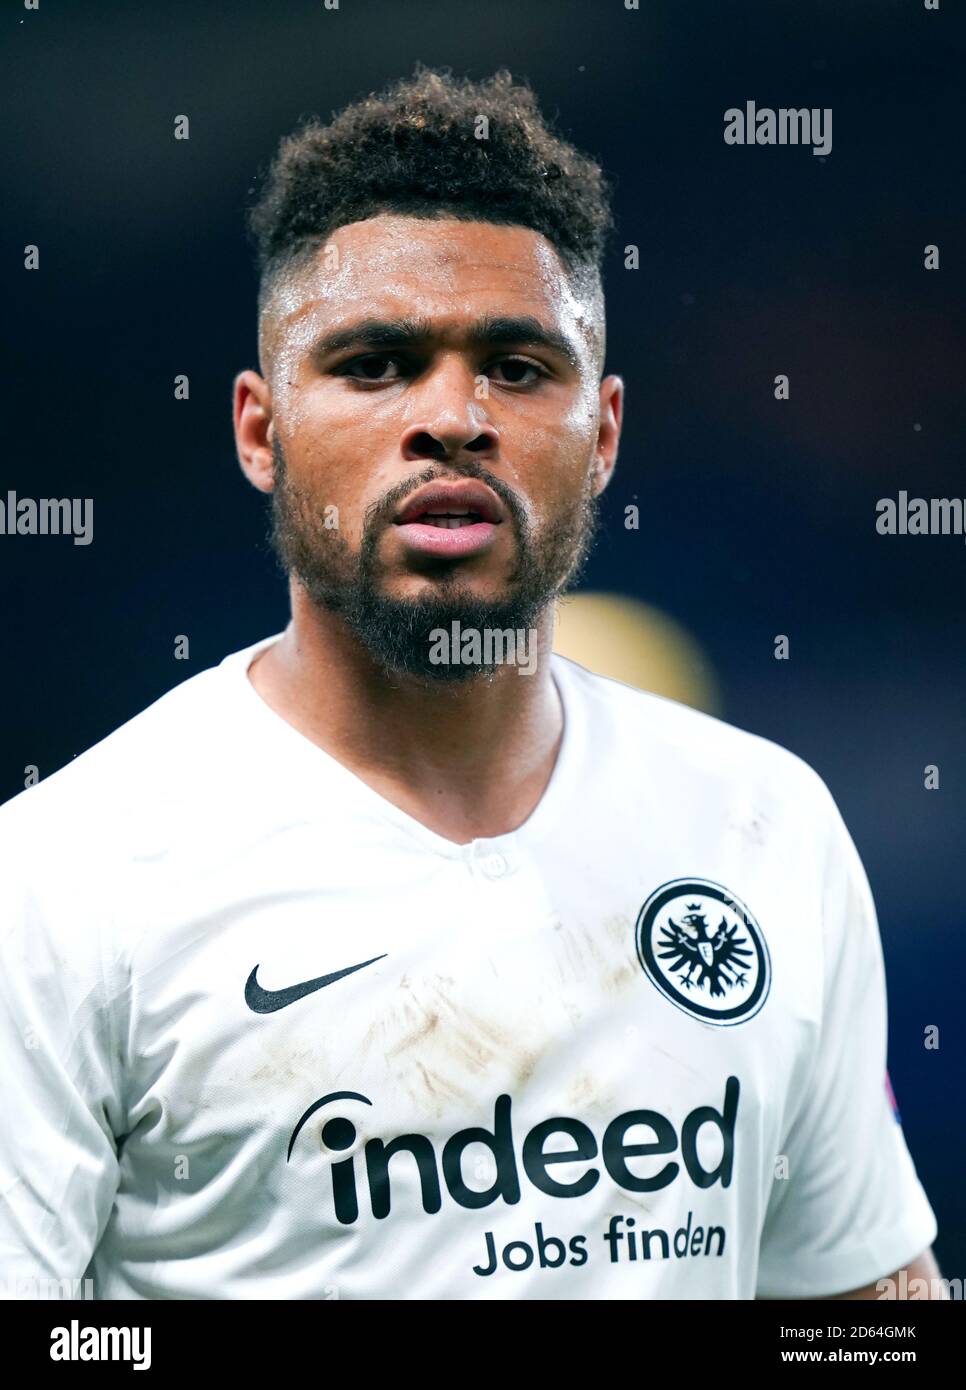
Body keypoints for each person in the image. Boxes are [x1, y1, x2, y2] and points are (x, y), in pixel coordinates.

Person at [0, 65, 941, 1301]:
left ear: (601, 435)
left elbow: (862, 1302)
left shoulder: (767, 822)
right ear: (259, 430)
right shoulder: (61, 879)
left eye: (515, 364)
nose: (453, 415)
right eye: (377, 362)